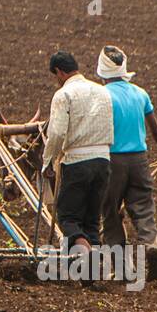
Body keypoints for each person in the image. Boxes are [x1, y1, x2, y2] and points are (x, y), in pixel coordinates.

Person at [97, 46, 157, 278]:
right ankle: (151, 246)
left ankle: (123, 269)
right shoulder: (140, 93)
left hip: (112, 160)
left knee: (110, 212)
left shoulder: (102, 96)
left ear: (102, 73)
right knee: (143, 208)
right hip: (139, 161)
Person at [42, 50, 113, 254]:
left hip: (77, 161)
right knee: (91, 222)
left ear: (59, 72)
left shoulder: (64, 94)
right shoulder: (102, 91)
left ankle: (86, 252)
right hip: (103, 160)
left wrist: (48, 161)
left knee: (68, 218)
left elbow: (56, 133)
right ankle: (90, 274)